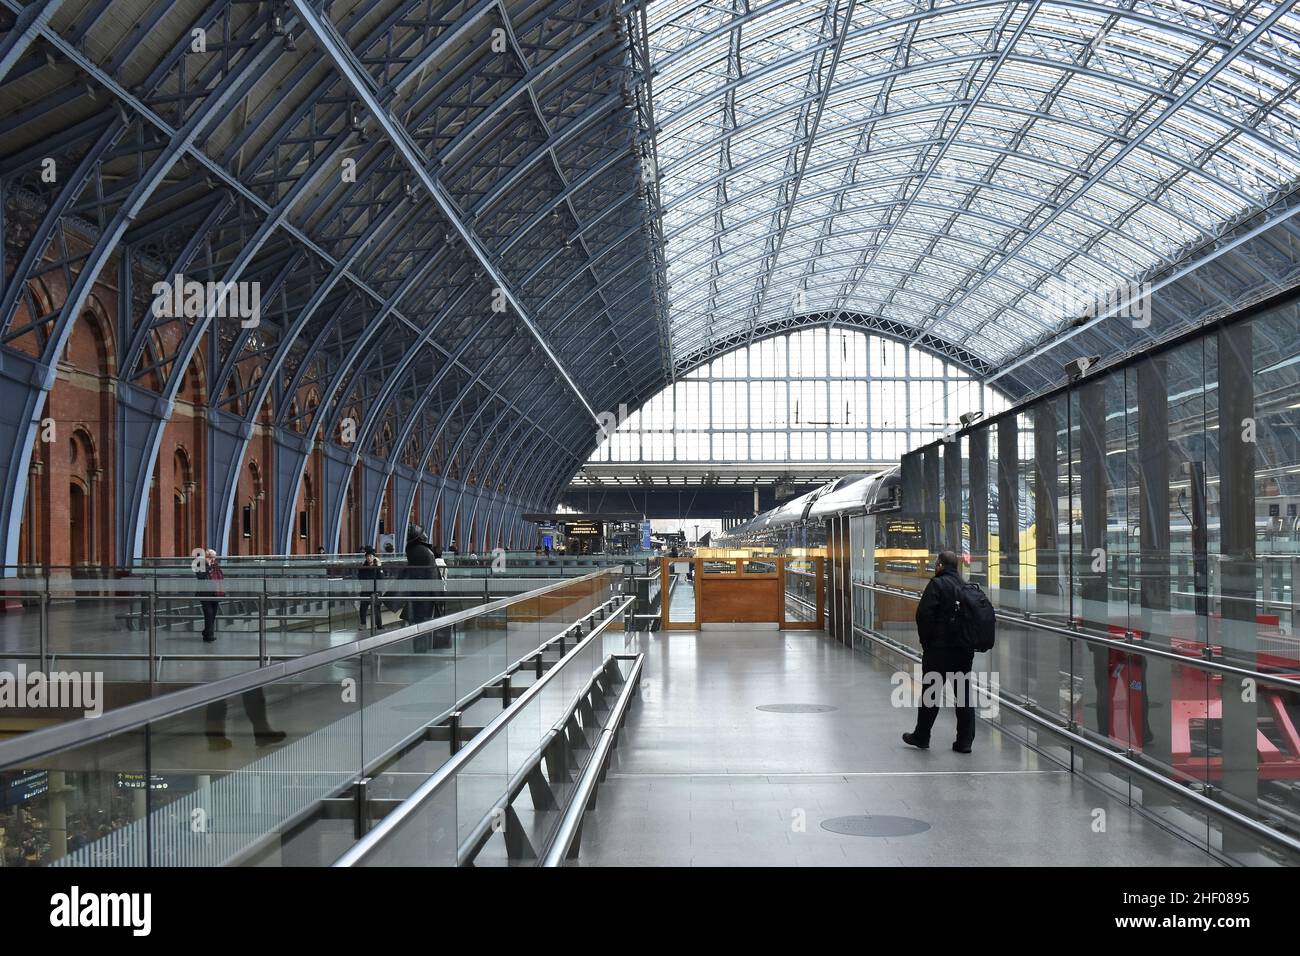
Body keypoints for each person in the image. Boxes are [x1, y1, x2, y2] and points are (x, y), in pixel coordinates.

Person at [903, 550, 976, 754]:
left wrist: (927, 642)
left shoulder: (937, 585)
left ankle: (922, 736)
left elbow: (923, 615)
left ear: (940, 565)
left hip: (940, 651)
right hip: (964, 650)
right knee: (963, 695)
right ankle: (964, 742)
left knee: (931, 694)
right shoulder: (966, 586)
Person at [405, 524, 437, 651]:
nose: (426, 535)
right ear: (419, 536)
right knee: (426, 619)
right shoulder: (426, 552)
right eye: (423, 533)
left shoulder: (410, 550)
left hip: (415, 590)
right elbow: (432, 573)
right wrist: (436, 593)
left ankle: (419, 646)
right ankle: (425, 646)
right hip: (427, 592)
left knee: (417, 619)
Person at [196, 549, 224, 643]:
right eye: (212, 556)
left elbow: (220, 575)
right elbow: (200, 576)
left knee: (213, 614)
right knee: (208, 613)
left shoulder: (215, 564)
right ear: (207, 556)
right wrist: (208, 566)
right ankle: (209, 635)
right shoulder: (201, 563)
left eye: (215, 557)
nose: (214, 558)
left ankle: (206, 632)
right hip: (205, 592)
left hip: (215, 592)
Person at [358, 546, 384, 629]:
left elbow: (381, 579)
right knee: (363, 607)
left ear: (374, 557)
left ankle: (379, 625)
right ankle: (363, 624)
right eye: (367, 556)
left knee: (377, 609)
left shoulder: (378, 567)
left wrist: (378, 591)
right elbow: (360, 578)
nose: (369, 558)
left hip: (376, 590)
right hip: (366, 590)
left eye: (371, 556)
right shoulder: (363, 567)